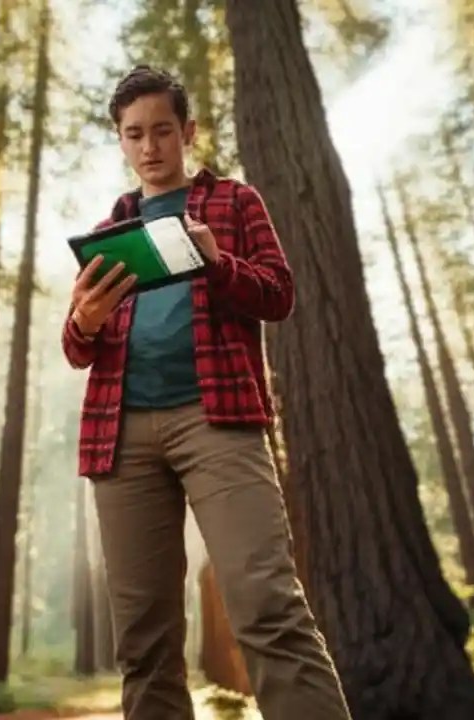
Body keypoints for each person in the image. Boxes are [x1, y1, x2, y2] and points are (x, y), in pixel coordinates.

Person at [61, 65, 352, 720]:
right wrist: (84, 322)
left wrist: (217, 261)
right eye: (133, 134)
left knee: (268, 606)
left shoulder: (235, 203)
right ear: (121, 141)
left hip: (216, 420)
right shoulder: (111, 228)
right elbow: (78, 346)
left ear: (186, 132)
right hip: (120, 436)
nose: (149, 146)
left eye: (162, 130)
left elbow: (279, 294)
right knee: (144, 639)